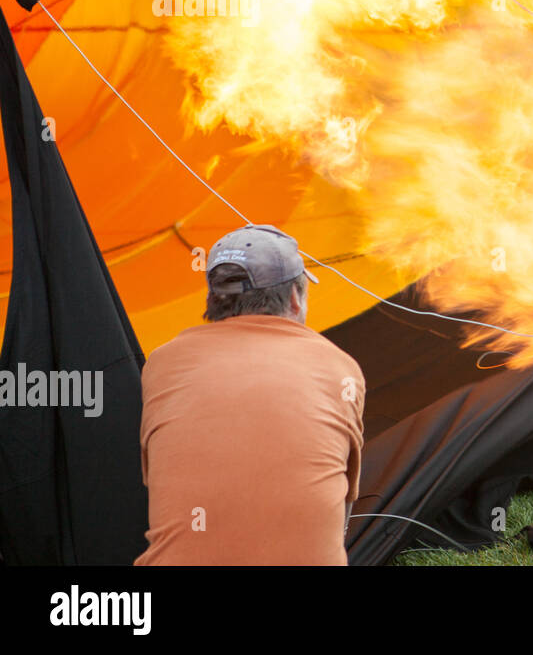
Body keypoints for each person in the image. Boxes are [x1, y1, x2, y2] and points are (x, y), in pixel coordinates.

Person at [136, 224, 365, 565]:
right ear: (294, 298)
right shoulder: (339, 367)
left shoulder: (162, 363)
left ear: (212, 298)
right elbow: (342, 504)